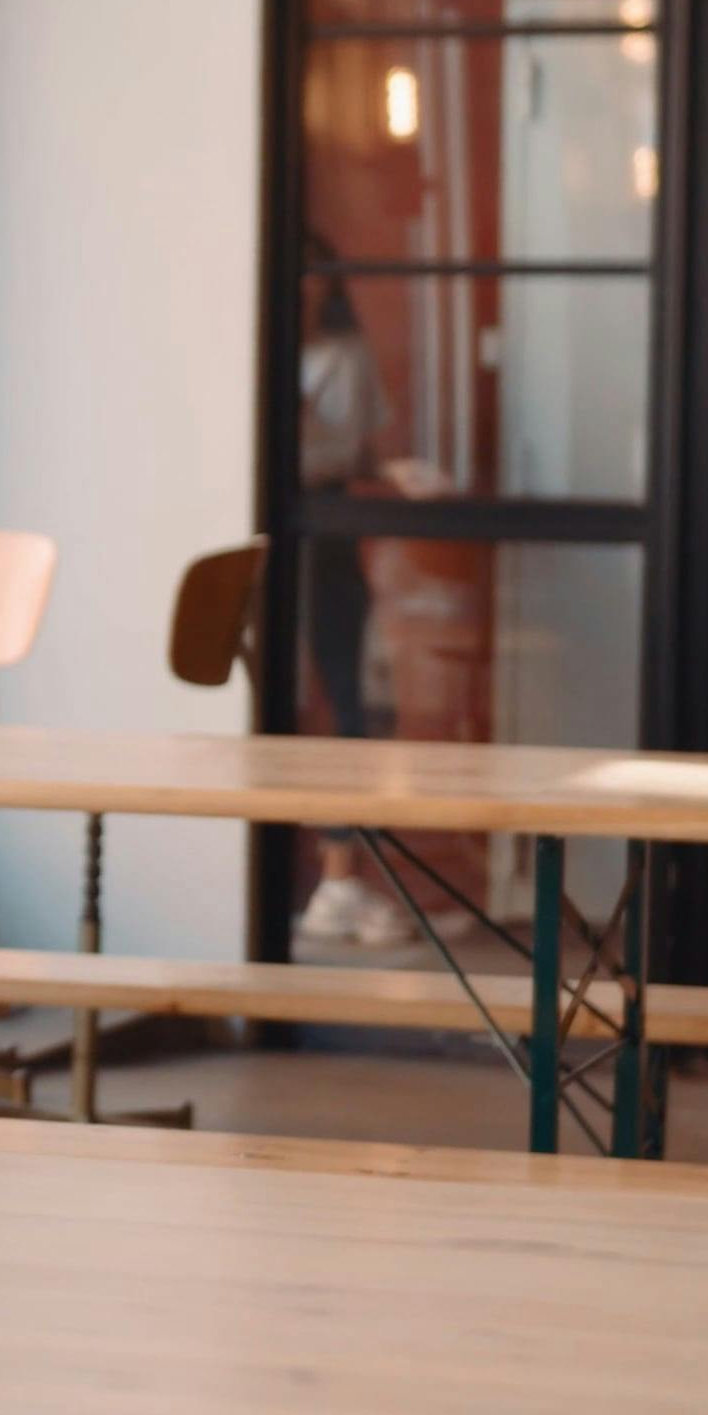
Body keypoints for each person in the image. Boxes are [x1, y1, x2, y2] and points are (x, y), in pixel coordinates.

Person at [291, 277, 420, 956]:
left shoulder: (345, 351)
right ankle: (321, 883)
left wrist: (394, 472)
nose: (306, 289)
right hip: (281, 531)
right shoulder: (251, 344)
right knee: (288, 701)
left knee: (354, 695)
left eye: (317, 276)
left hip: (332, 526)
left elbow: (356, 448)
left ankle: (340, 874)